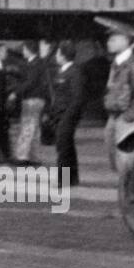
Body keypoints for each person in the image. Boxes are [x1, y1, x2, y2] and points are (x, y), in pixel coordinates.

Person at [104, 31, 134, 169]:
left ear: (125, 40)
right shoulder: (116, 62)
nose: (108, 43)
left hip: (126, 117)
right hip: (114, 115)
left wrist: (129, 116)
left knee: (126, 160)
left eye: (113, 39)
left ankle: (128, 188)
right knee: (115, 157)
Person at [51, 40, 85, 187]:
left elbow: (77, 97)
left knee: (62, 146)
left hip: (68, 115)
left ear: (63, 55)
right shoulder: (63, 71)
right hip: (60, 114)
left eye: (58, 53)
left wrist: (68, 116)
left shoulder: (74, 72)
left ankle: (63, 179)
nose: (56, 56)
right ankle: (73, 177)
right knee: (68, 146)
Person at [14, 39, 53, 165]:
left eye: (24, 49)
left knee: (27, 128)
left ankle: (22, 156)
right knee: (35, 129)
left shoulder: (34, 64)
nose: (23, 52)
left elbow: (30, 82)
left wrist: (16, 92)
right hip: (38, 99)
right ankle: (34, 157)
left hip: (31, 99)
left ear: (29, 50)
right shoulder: (40, 63)